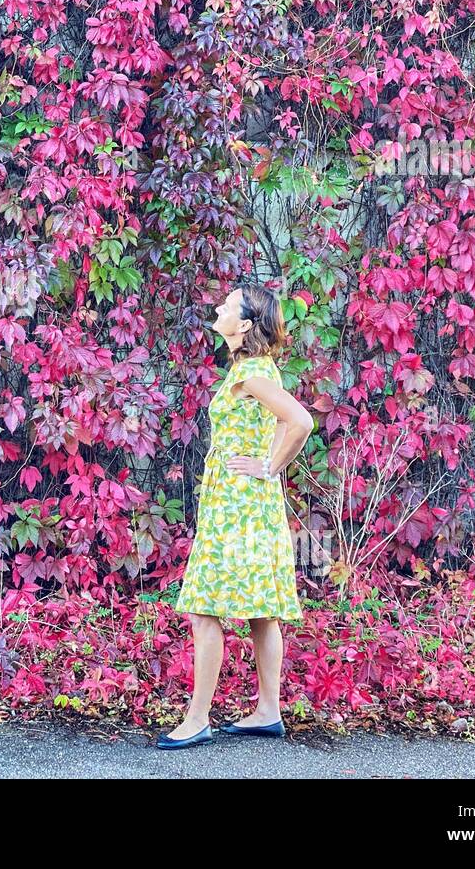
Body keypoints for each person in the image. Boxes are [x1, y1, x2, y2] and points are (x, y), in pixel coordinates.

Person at [157, 280, 315, 749]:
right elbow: (279, 424)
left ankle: (197, 719)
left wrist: (269, 466)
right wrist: (268, 467)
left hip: (237, 506)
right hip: (249, 503)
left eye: (228, 306)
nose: (219, 309)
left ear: (245, 325)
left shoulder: (252, 375)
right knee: (262, 612)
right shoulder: (255, 369)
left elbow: (300, 421)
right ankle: (268, 711)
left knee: (203, 608)